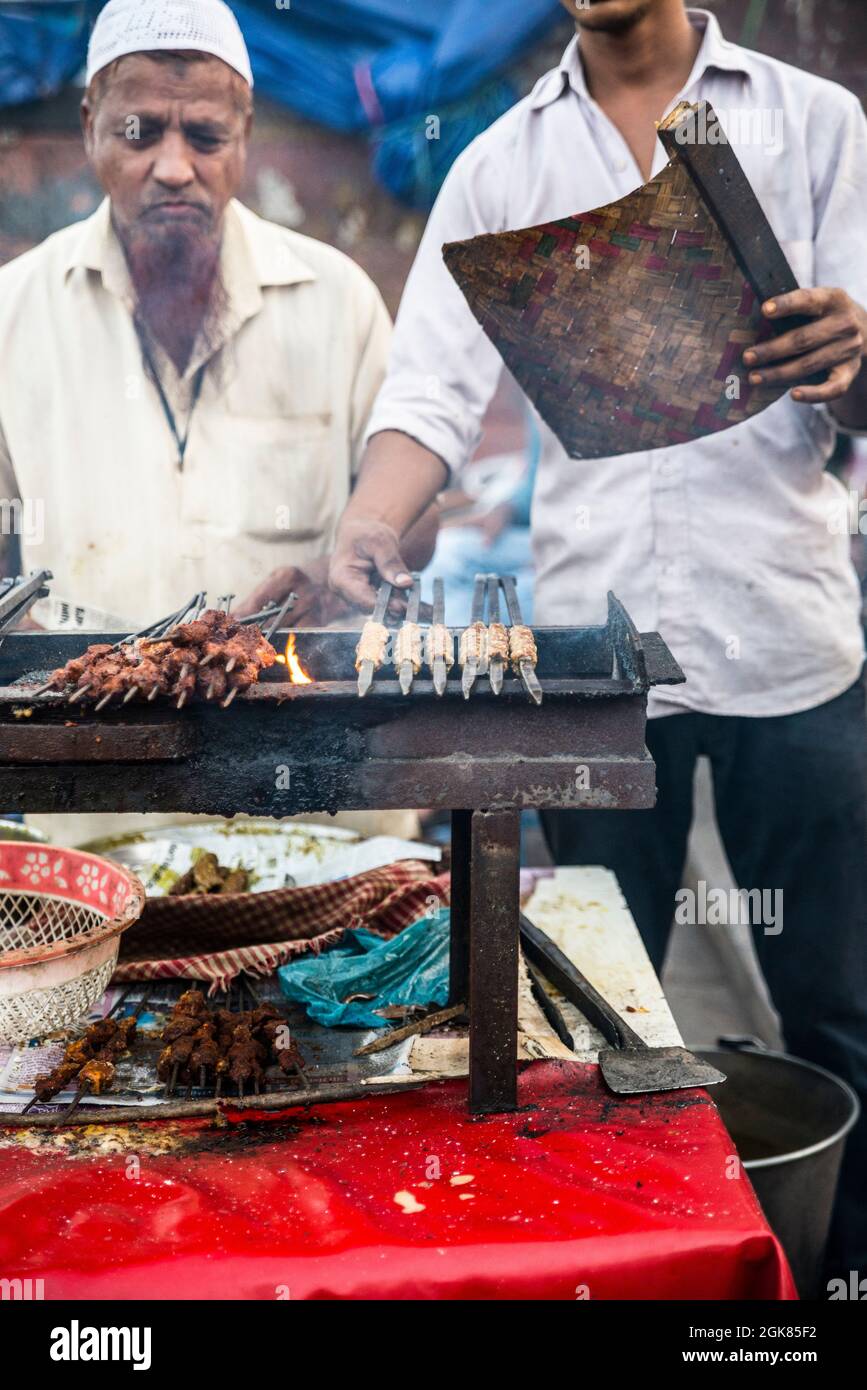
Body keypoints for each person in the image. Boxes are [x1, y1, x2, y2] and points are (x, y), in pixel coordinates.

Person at [329, 1, 867, 1280]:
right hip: (598, 666)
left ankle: (837, 1276)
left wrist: (858, 349)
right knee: (601, 1026)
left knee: (841, 1009)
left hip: (790, 643)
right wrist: (369, 518)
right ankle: (629, 1274)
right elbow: (431, 393)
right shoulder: (502, 162)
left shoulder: (815, 124)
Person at [0, 0, 433, 845]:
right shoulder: (13, 314)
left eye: (204, 137)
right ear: (91, 128)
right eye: (140, 133)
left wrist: (332, 566)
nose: (173, 168)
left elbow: (419, 520)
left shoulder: (335, 298)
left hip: (327, 809)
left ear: (244, 133)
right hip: (103, 821)